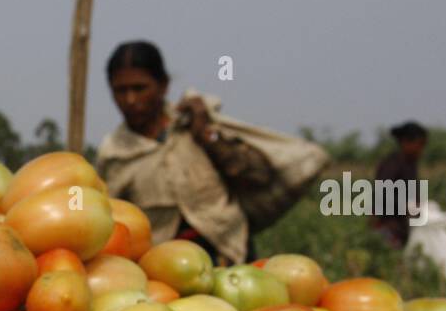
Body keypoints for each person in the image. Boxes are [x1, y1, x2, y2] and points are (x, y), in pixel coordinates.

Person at [97, 41, 322, 266]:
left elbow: (257, 175)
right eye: (120, 90)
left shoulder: (195, 127)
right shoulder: (114, 155)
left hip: (227, 254)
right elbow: (112, 223)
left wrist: (206, 134)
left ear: (163, 86)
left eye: (139, 88)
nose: (130, 100)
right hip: (165, 266)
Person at [372, 121, 428, 248]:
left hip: (401, 226)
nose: (421, 149)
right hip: (387, 226)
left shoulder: (410, 164)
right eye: (419, 144)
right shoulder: (393, 164)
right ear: (405, 142)